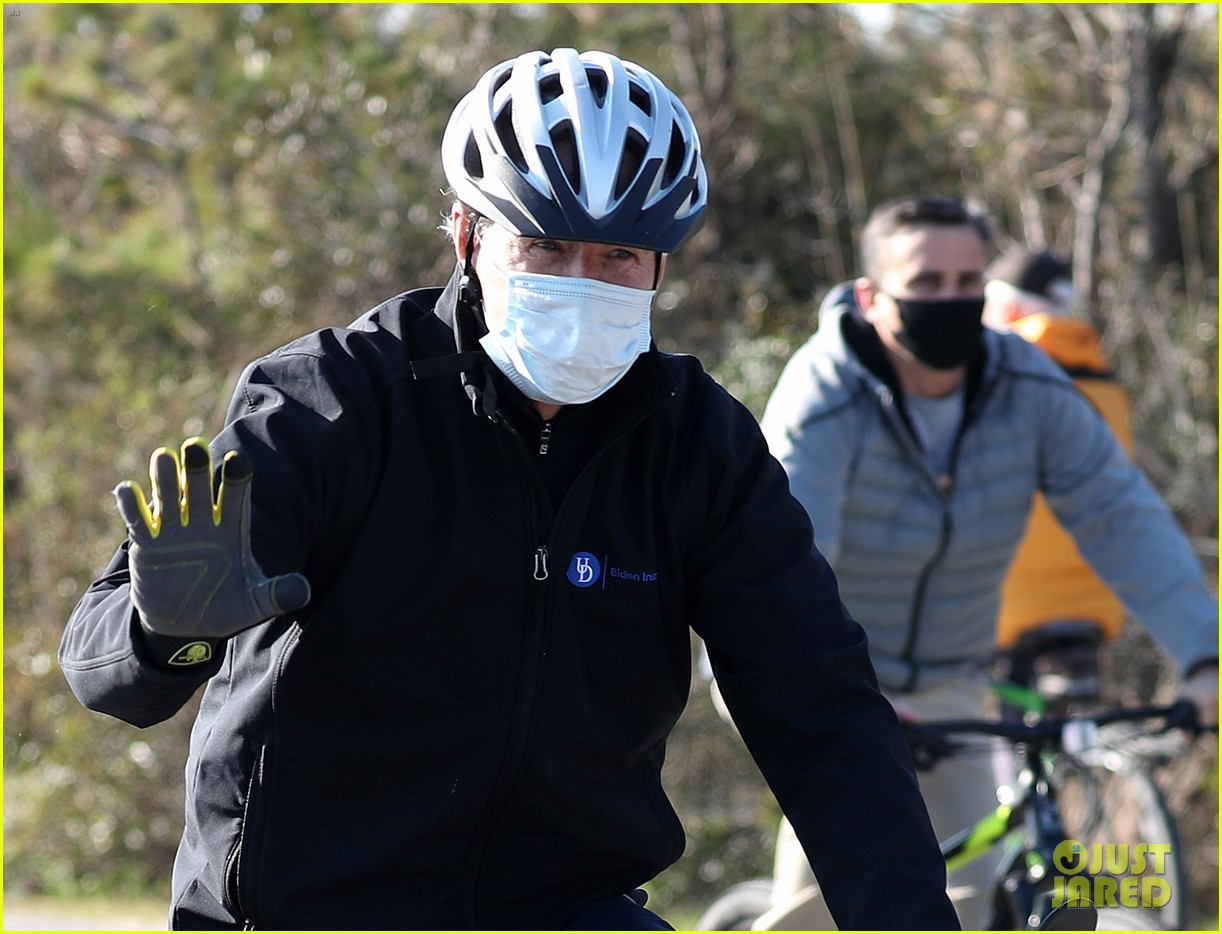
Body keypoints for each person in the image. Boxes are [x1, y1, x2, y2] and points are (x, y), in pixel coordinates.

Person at [58, 51, 958, 931]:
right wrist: (161, 632)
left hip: (569, 909)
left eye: (617, 256)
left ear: (661, 268)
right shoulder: (332, 401)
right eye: (547, 245)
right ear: (467, 236)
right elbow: (105, 672)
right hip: (317, 906)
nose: (581, 282)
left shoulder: (700, 444)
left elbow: (825, 715)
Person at [756, 194, 1218, 929]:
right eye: (928, 283)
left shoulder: (1029, 385)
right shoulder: (824, 395)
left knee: (965, 906)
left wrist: (1205, 656)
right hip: (835, 687)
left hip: (951, 689)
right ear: (873, 297)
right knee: (827, 912)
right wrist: (833, 696)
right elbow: (776, 568)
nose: (953, 299)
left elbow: (1117, 514)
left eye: (969, 282)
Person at [984, 248, 1134, 704]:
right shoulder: (1107, 382)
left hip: (1009, 602)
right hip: (1102, 595)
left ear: (1007, 309)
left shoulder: (1002, 378)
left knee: (1001, 731)